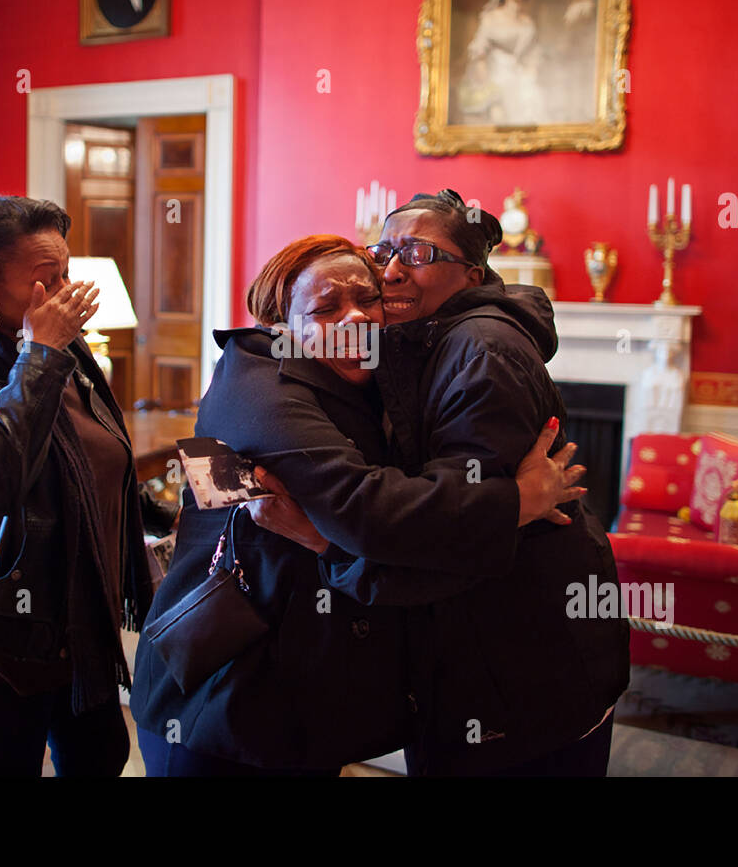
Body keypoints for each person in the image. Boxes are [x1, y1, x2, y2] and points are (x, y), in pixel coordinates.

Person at [130, 235, 583, 776]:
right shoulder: (255, 382)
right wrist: (517, 501)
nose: (355, 318)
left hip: (301, 704)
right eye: (325, 308)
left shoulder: (364, 384)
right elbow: (365, 508)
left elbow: (377, 541)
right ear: (282, 327)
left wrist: (323, 539)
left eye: (366, 300)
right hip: (217, 704)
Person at [252, 190, 631, 776]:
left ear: (471, 274)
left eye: (419, 253)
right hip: (487, 661)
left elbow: (451, 535)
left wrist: (329, 547)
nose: (393, 270)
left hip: (519, 671)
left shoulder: (479, 349)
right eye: (384, 251)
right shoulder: (422, 340)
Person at [0, 195, 176, 777]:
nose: (65, 294)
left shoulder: (68, 352)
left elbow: (95, 461)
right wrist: (39, 355)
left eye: (67, 273)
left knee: (100, 757)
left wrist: (157, 517)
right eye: (44, 281)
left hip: (80, 614)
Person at [464, 0, 546, 125]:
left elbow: (533, 57)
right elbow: (479, 56)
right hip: (497, 82)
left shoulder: (528, 22)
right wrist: (491, 94)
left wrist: (530, 76)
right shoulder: (491, 18)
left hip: (522, 81)